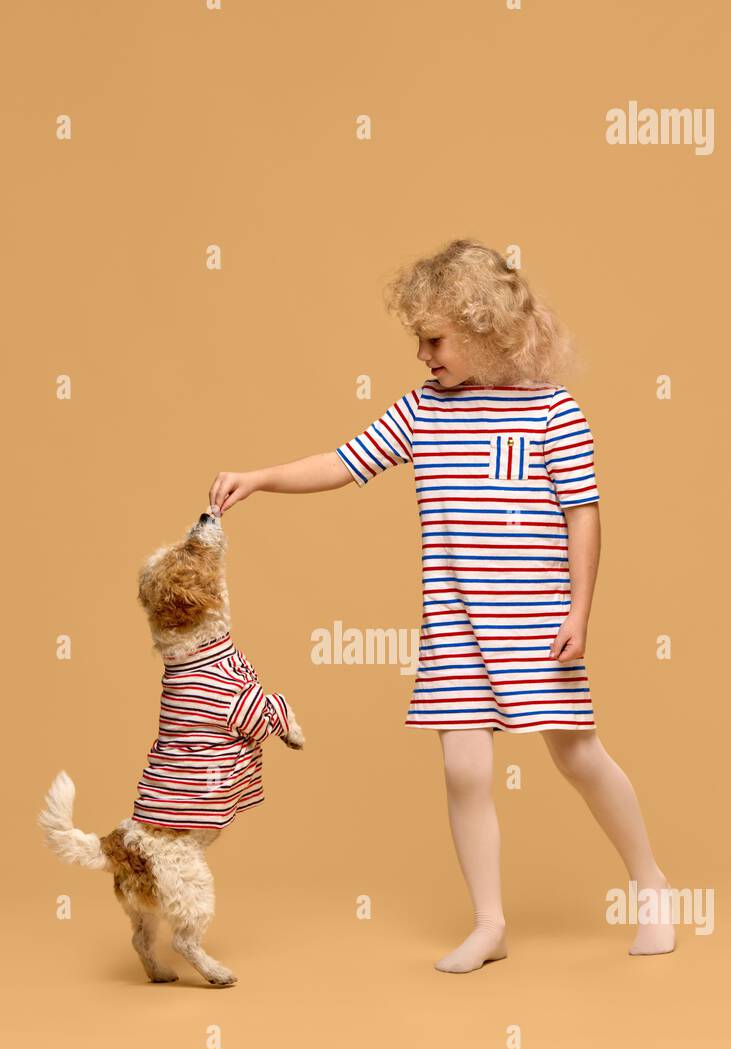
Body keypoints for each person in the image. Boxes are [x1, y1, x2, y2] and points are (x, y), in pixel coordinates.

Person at [209, 239, 675, 971]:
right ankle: (489, 924)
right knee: (463, 768)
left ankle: (650, 885)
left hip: (535, 620)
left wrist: (578, 611)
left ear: (485, 329)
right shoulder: (421, 411)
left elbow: (583, 514)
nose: (423, 356)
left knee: (576, 754)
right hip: (455, 624)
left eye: (434, 340)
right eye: (418, 341)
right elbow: (344, 459)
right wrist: (261, 476)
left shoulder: (554, 413)